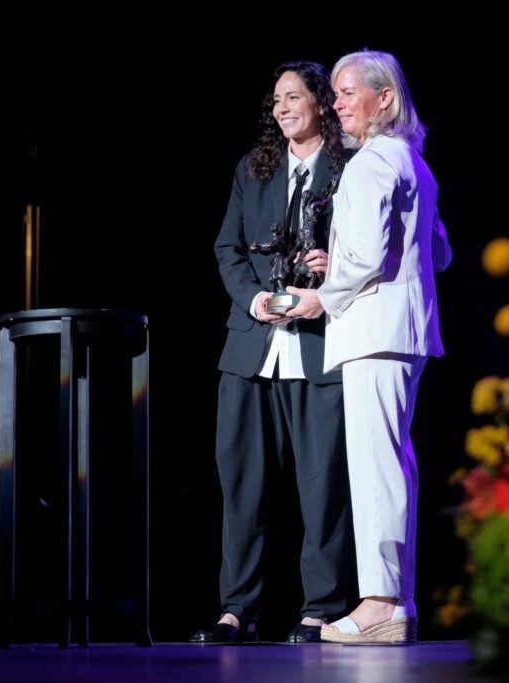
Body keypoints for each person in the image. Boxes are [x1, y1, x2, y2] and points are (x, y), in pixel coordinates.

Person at [286, 49, 451, 644]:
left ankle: (381, 602)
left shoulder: (371, 161)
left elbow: (367, 258)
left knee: (376, 465)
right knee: (393, 463)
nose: (336, 103)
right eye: (334, 93)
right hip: (401, 331)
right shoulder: (413, 162)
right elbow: (438, 253)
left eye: (347, 91)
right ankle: (395, 600)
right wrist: (346, 262)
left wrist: (322, 295)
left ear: (385, 97)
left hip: (374, 332)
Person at [190, 60, 353, 645]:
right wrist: (255, 298)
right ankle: (238, 610)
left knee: (323, 485)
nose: (282, 109)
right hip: (250, 349)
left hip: (319, 347)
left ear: (321, 102)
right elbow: (227, 248)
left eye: (294, 98)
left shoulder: (351, 166)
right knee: (243, 484)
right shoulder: (253, 168)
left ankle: (322, 610)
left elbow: (369, 251)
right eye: (276, 100)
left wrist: (333, 267)